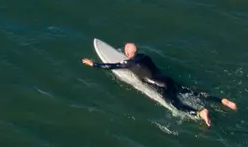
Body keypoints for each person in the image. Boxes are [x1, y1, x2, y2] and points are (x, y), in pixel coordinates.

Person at [82, 43, 236, 126]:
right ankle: (221, 100)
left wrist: (94, 64)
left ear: (128, 54)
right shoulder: (145, 56)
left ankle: (200, 112)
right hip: (167, 79)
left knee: (175, 103)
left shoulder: (128, 63)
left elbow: (112, 66)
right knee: (190, 92)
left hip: (161, 86)